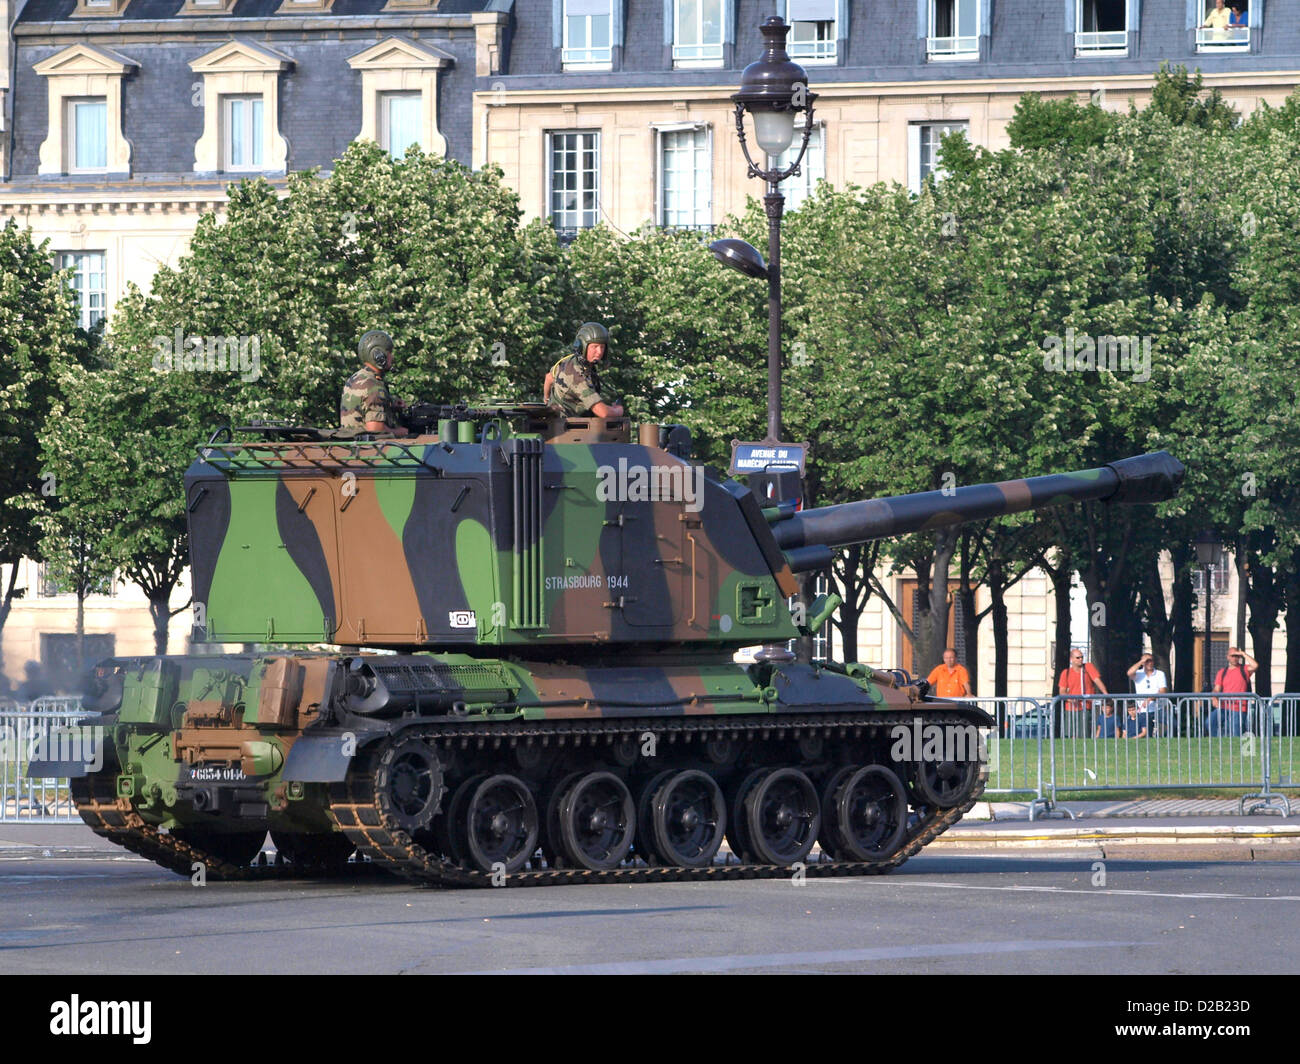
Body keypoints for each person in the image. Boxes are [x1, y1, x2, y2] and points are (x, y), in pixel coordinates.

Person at [544, 323, 625, 418]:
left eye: (602, 347)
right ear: (582, 347)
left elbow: (549, 378)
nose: (599, 352)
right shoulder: (577, 375)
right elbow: (603, 413)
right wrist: (618, 411)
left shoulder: (570, 361)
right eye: (594, 347)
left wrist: (546, 399)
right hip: (566, 426)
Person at [339, 329, 409, 437]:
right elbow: (375, 429)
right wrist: (401, 432)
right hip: (368, 450)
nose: (392, 357)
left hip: (352, 446)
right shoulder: (373, 386)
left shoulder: (356, 378)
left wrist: (390, 405)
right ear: (379, 356)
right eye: (389, 353)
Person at [1058, 649, 1108, 738]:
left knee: (1084, 734)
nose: (1080, 659)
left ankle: (1084, 751)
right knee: (1070, 735)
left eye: (1082, 657)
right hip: (1070, 708)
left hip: (1086, 706)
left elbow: (1097, 680)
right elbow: (1062, 691)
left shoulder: (1088, 667)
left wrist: (1106, 694)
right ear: (1071, 659)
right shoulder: (1066, 673)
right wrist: (1070, 699)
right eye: (1078, 658)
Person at [1211, 646, 1257, 737]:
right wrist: (1214, 697)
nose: (1234, 658)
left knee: (1236, 731)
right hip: (1224, 706)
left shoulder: (1244, 669)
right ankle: (1218, 742)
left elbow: (1255, 665)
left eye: (1236, 656)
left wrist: (1243, 654)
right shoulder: (1222, 672)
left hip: (1239, 707)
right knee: (1210, 723)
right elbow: (1217, 688)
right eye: (1232, 656)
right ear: (1227, 657)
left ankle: (1236, 749)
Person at [1128, 652, 1171, 735]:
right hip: (1143, 710)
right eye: (1147, 661)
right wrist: (1141, 662)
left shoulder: (1160, 674)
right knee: (1147, 733)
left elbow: (1163, 691)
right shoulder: (1138, 673)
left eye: (1151, 660)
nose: (1149, 663)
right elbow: (1129, 673)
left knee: (1173, 724)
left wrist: (1150, 698)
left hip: (1159, 708)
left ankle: (1166, 742)